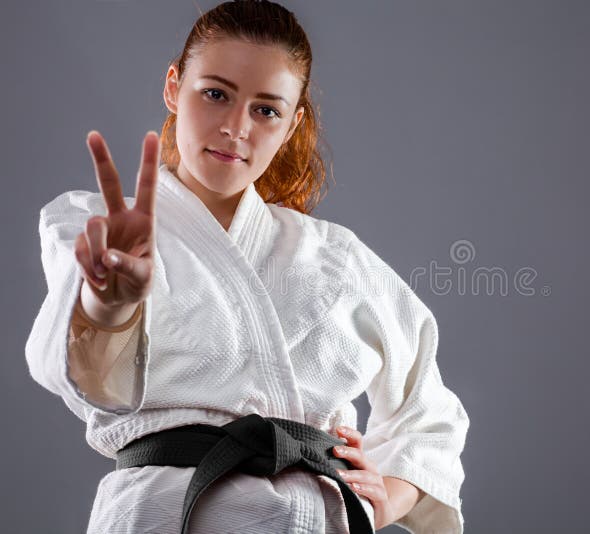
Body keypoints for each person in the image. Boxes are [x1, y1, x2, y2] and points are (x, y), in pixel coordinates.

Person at [25, 1, 469, 533]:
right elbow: (92, 381)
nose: (236, 127)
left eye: (266, 110)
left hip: (313, 520)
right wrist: (109, 303)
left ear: (292, 123)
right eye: (215, 94)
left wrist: (391, 497)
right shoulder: (92, 223)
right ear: (173, 87)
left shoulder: (335, 256)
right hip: (160, 516)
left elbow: (430, 411)